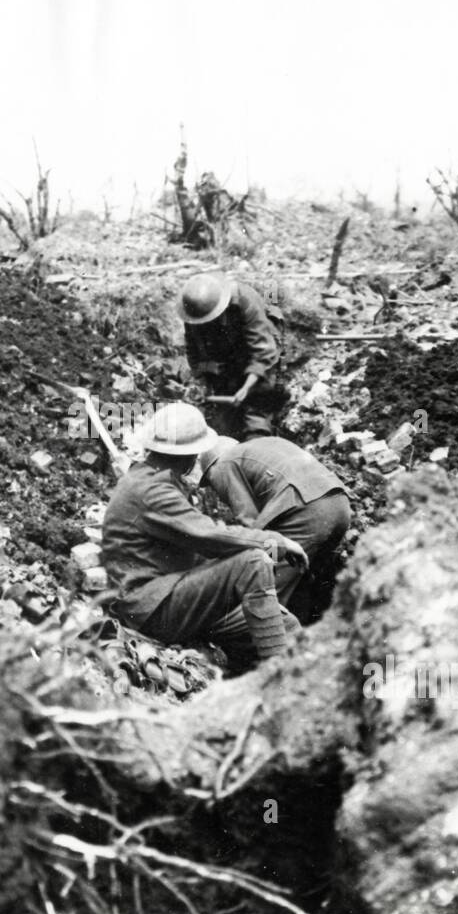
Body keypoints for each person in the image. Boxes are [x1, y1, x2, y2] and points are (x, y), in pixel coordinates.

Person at [100, 402, 307, 673]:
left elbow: (202, 544)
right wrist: (275, 542)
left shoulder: (154, 481)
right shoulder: (151, 490)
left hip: (169, 598)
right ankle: (281, 678)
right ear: (187, 455)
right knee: (253, 562)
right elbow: (209, 536)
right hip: (151, 608)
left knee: (286, 626)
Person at [198, 435, 351, 623]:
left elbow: (249, 520)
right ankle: (302, 638)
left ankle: (263, 647)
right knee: (301, 580)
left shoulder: (222, 465)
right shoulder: (263, 445)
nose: (217, 492)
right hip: (339, 505)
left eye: (211, 484)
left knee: (266, 582)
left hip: (305, 512)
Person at [180, 272, 288, 440]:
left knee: (256, 415)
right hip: (225, 355)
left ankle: (259, 436)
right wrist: (201, 381)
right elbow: (193, 350)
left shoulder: (244, 300)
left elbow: (263, 351)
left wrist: (246, 388)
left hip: (256, 350)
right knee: (225, 426)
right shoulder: (194, 311)